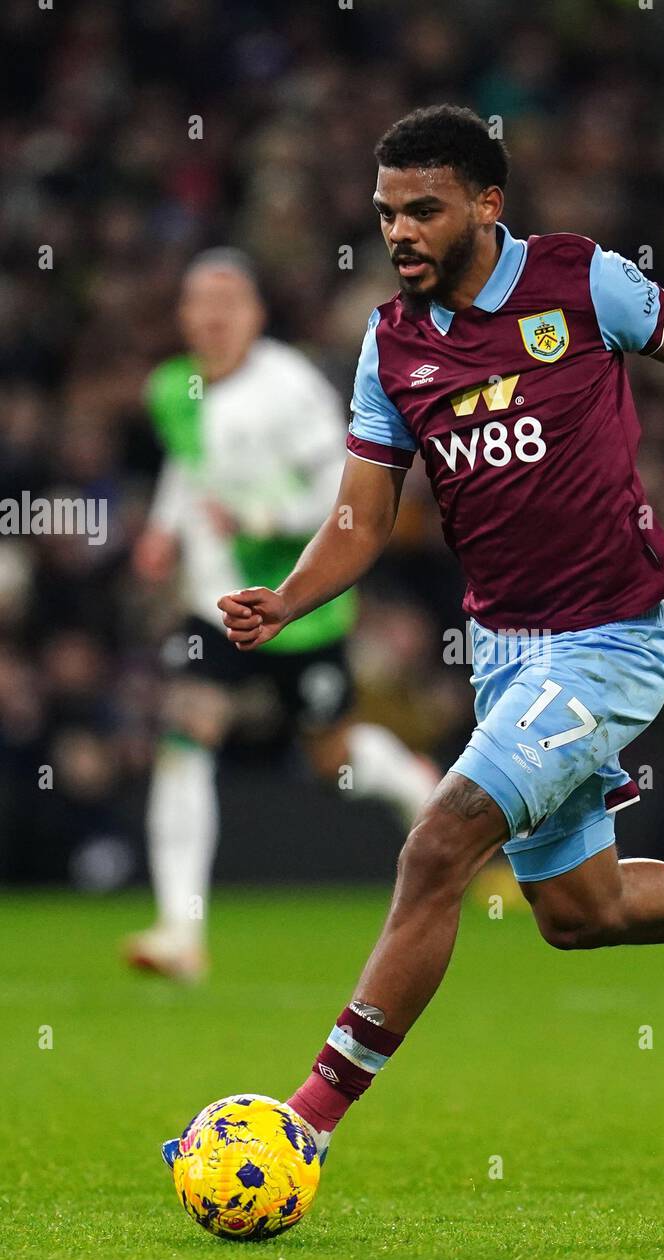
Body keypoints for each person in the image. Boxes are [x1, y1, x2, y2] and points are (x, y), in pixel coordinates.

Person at [186, 105, 664, 1167]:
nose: (399, 233)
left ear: (485, 203)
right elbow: (362, 515)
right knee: (579, 909)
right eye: (385, 213)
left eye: (422, 209)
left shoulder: (582, 281)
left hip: (608, 641)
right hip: (506, 653)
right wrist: (288, 596)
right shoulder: (391, 346)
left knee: (435, 846)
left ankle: (302, 1126)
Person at [127, 249, 437, 981]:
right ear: (183, 317)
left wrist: (260, 517)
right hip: (218, 600)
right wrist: (164, 530)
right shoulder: (171, 387)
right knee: (186, 732)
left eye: (228, 300)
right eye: (199, 302)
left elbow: (344, 490)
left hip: (303, 604)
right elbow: (190, 462)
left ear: (256, 315)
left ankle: (415, 784)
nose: (212, 315)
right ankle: (180, 931)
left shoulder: (289, 387)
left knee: (331, 760)